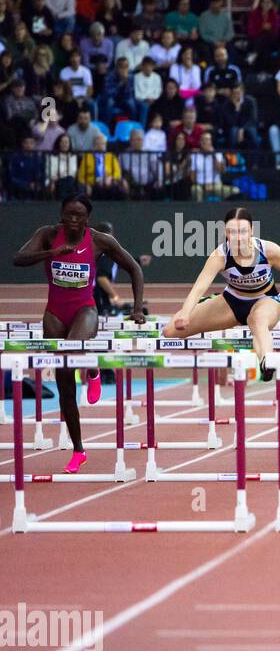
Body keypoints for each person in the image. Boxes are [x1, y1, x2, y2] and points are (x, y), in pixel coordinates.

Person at [12, 193, 145, 472]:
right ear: (61, 214)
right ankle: (78, 450)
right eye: (68, 214)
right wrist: (50, 254)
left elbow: (134, 268)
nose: (73, 220)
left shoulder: (99, 240)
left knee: (70, 351)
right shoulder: (48, 235)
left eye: (79, 215)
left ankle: (93, 370)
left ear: (87, 219)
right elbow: (19, 258)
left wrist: (137, 309)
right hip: (54, 313)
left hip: (85, 308)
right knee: (63, 381)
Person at [163, 207, 280, 380]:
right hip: (232, 302)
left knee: (258, 320)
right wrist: (185, 314)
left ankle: (267, 362)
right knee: (169, 332)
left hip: (267, 299)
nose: (238, 237)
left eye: (243, 232)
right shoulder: (220, 256)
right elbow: (199, 287)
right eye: (233, 232)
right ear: (226, 233)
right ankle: (209, 301)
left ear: (252, 231)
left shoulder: (269, 250)